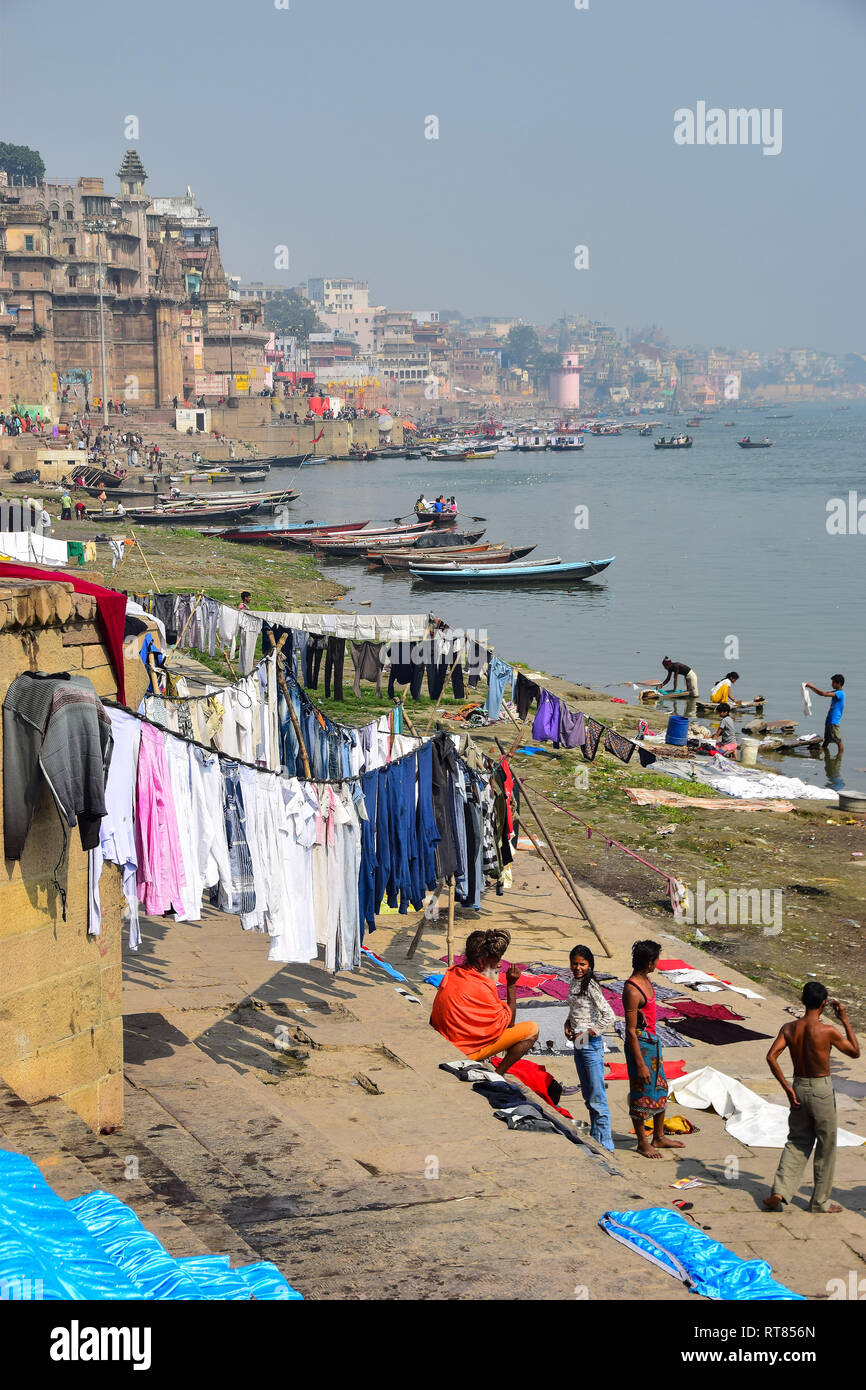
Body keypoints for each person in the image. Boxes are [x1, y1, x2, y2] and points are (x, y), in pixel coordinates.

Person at [764, 981, 860, 1214]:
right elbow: (855, 1052)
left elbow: (771, 1057)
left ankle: (780, 1190)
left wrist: (787, 1088)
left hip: (798, 1086)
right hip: (821, 1089)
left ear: (802, 1000)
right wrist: (844, 1020)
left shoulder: (789, 1028)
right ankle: (819, 1202)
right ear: (824, 1003)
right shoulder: (827, 1031)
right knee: (826, 1145)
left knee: (797, 1140)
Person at [429, 928, 539, 1074]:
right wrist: (511, 985)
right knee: (532, 1030)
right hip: (463, 1051)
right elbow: (509, 1023)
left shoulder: (453, 971)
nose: (499, 965)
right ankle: (498, 1075)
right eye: (496, 961)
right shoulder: (482, 986)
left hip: (445, 1040)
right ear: (481, 962)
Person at [623, 940, 685, 1158]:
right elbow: (630, 1031)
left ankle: (658, 1137)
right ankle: (642, 1142)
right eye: (656, 960)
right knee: (641, 1092)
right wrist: (640, 1063)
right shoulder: (632, 989)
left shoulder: (646, 980)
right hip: (640, 1046)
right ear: (650, 963)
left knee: (661, 1088)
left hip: (653, 1042)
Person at [564, 943, 616, 1150]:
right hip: (579, 1042)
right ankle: (597, 1137)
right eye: (575, 964)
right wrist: (568, 1023)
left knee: (597, 1097)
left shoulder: (591, 985)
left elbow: (609, 1015)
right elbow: (575, 1008)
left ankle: (606, 1145)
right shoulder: (573, 982)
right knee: (588, 1094)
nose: (578, 968)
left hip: (590, 1043)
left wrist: (589, 1033)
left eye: (582, 964)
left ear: (590, 965)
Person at [805, 674, 845, 754]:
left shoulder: (840, 693)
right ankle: (825, 756)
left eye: (833, 682)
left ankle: (839, 758)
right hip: (829, 720)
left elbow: (824, 694)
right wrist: (810, 687)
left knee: (838, 741)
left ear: (839, 683)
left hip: (834, 721)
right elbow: (822, 694)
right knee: (827, 739)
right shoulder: (835, 692)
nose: (832, 684)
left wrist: (811, 686)